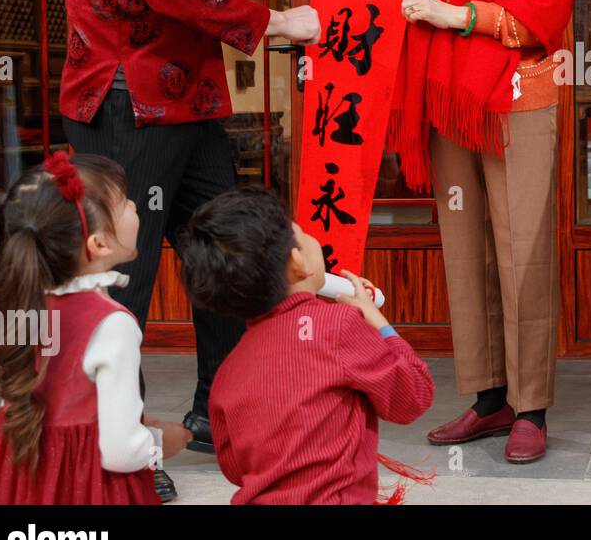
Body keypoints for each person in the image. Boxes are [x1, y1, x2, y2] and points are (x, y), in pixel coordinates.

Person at [58, 0, 368, 501]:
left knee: (228, 261)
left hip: (191, 101)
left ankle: (220, 416)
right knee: (115, 283)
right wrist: (279, 21)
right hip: (128, 103)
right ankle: (106, 461)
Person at [388, 0, 579, 464]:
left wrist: (460, 16)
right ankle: (488, 397)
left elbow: (544, 16)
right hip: (451, 101)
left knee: (523, 252)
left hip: (521, 102)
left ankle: (532, 407)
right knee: (465, 246)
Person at [178, 186, 434, 504]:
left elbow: (233, 467)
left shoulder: (228, 371)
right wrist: (377, 322)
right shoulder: (338, 326)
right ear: (297, 260)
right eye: (300, 232)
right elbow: (413, 396)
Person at [0, 152, 191, 505]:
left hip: (21, 476)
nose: (135, 206)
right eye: (125, 202)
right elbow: (120, 452)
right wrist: (161, 442)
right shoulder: (112, 324)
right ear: (98, 244)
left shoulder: (21, 303)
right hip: (87, 485)